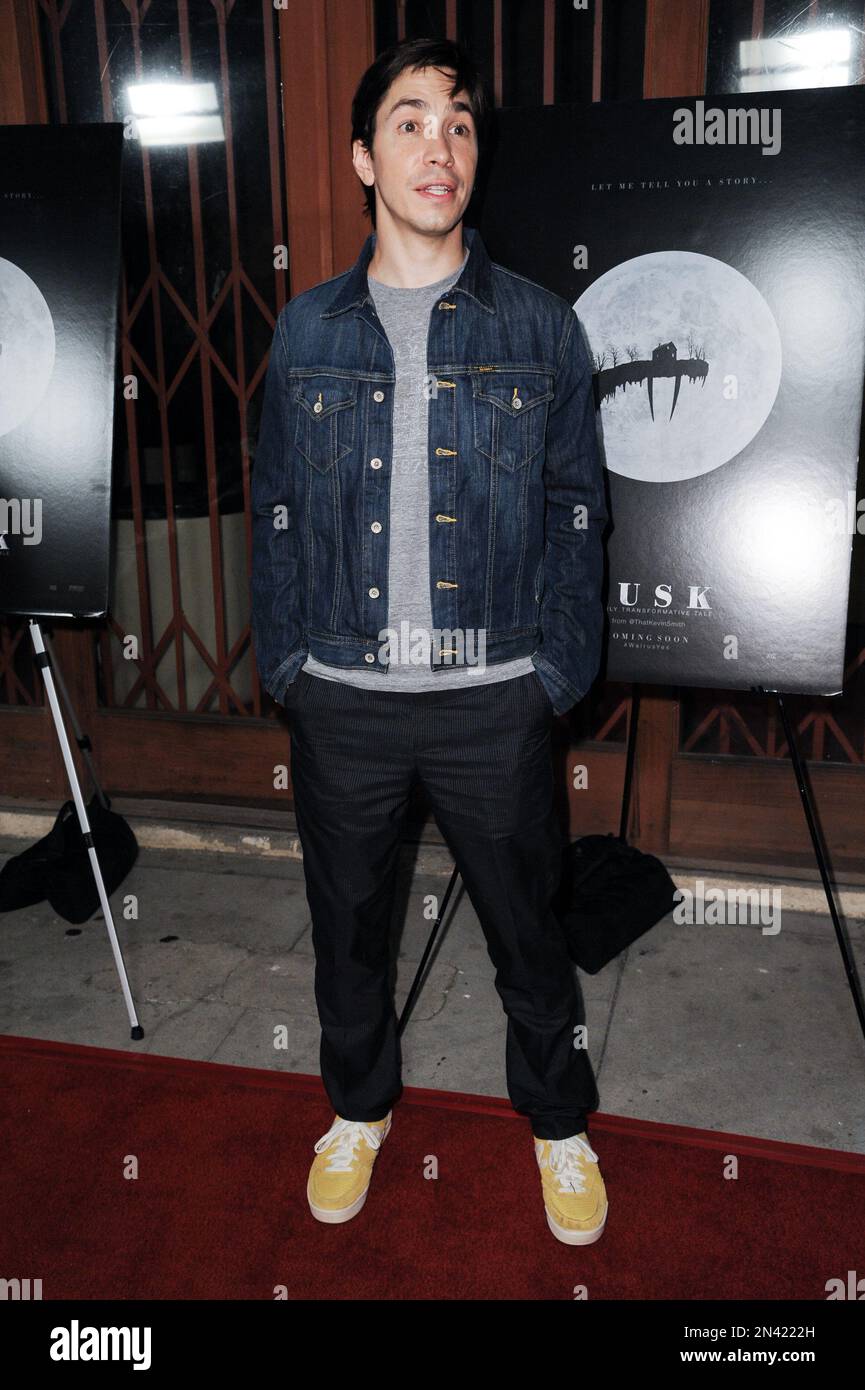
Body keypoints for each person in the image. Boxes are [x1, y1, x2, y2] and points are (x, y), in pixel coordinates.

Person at [251, 36, 609, 1246]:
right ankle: (358, 1108)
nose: (436, 146)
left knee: (530, 933)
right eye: (406, 122)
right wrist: (290, 664)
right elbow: (276, 507)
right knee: (347, 932)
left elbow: (577, 509)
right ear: (364, 158)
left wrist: (553, 673)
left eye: (456, 122)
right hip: (342, 694)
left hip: (494, 693)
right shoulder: (305, 331)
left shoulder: (541, 327)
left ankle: (557, 1121)